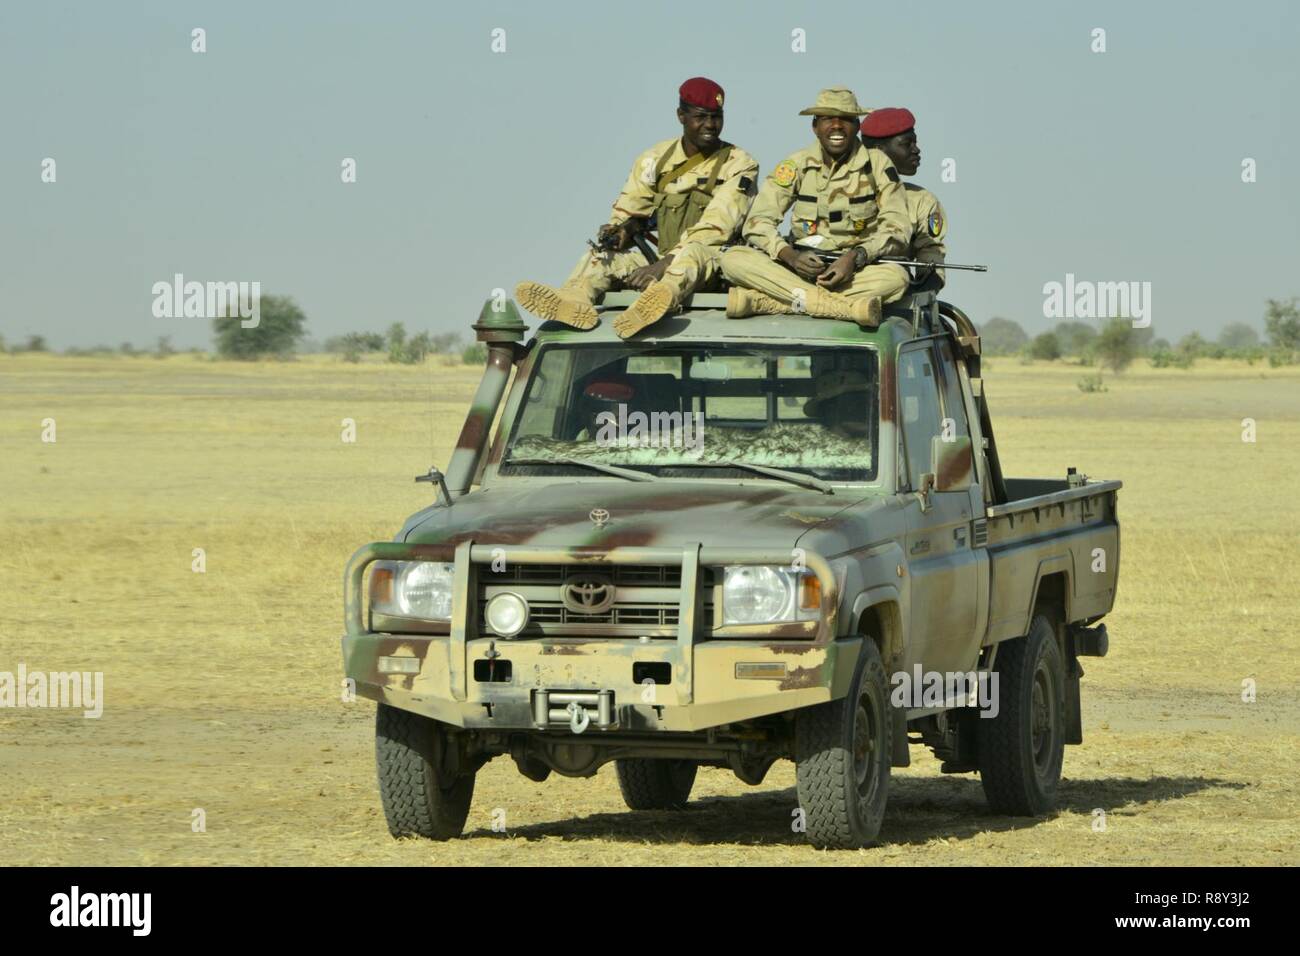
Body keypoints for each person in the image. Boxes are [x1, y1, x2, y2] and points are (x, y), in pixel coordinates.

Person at [514, 77, 758, 338]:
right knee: (600, 256)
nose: (711, 125)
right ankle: (574, 299)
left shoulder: (739, 164)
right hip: (659, 259)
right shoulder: (655, 159)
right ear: (681, 116)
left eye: (717, 117)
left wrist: (662, 266)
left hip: (711, 263)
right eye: (701, 117)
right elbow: (631, 208)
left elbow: (715, 228)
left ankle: (658, 300)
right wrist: (620, 231)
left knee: (693, 253)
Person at [720, 87, 911, 327]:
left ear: (857, 126)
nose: (837, 126)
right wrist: (790, 256)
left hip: (855, 274)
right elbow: (757, 222)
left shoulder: (877, 165)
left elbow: (897, 228)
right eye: (828, 119)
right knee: (733, 259)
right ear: (814, 126)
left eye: (845, 119)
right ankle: (839, 308)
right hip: (796, 270)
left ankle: (773, 302)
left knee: (896, 279)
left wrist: (855, 257)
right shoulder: (796, 164)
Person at [859, 107, 947, 286]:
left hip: (891, 291)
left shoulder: (922, 200)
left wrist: (925, 287)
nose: (916, 150)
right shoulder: (840, 188)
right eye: (907, 144)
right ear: (877, 152)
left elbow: (930, 255)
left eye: (915, 142)